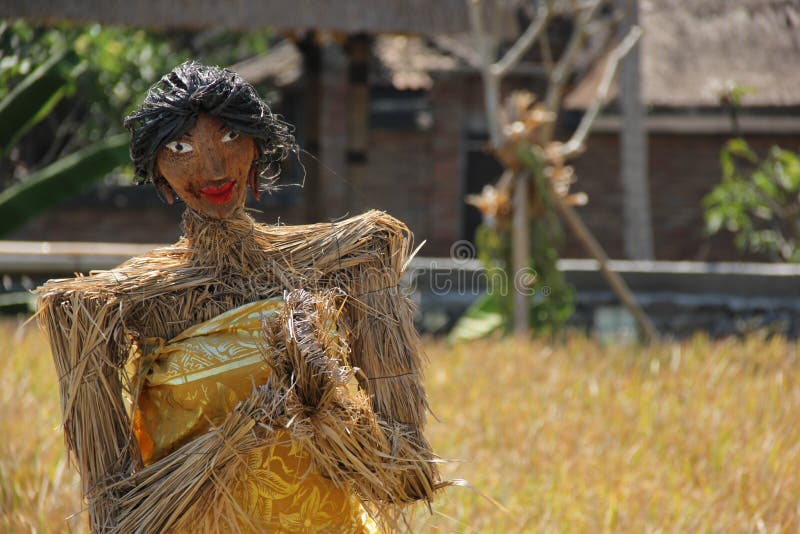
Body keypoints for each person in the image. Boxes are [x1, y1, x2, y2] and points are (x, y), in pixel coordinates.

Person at [37, 61, 443, 532]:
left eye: (230, 137)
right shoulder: (111, 307)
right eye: (181, 147)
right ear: (159, 173)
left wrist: (321, 410)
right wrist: (241, 432)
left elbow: (405, 474)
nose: (212, 167)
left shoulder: (347, 260)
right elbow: (117, 515)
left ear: (257, 147)